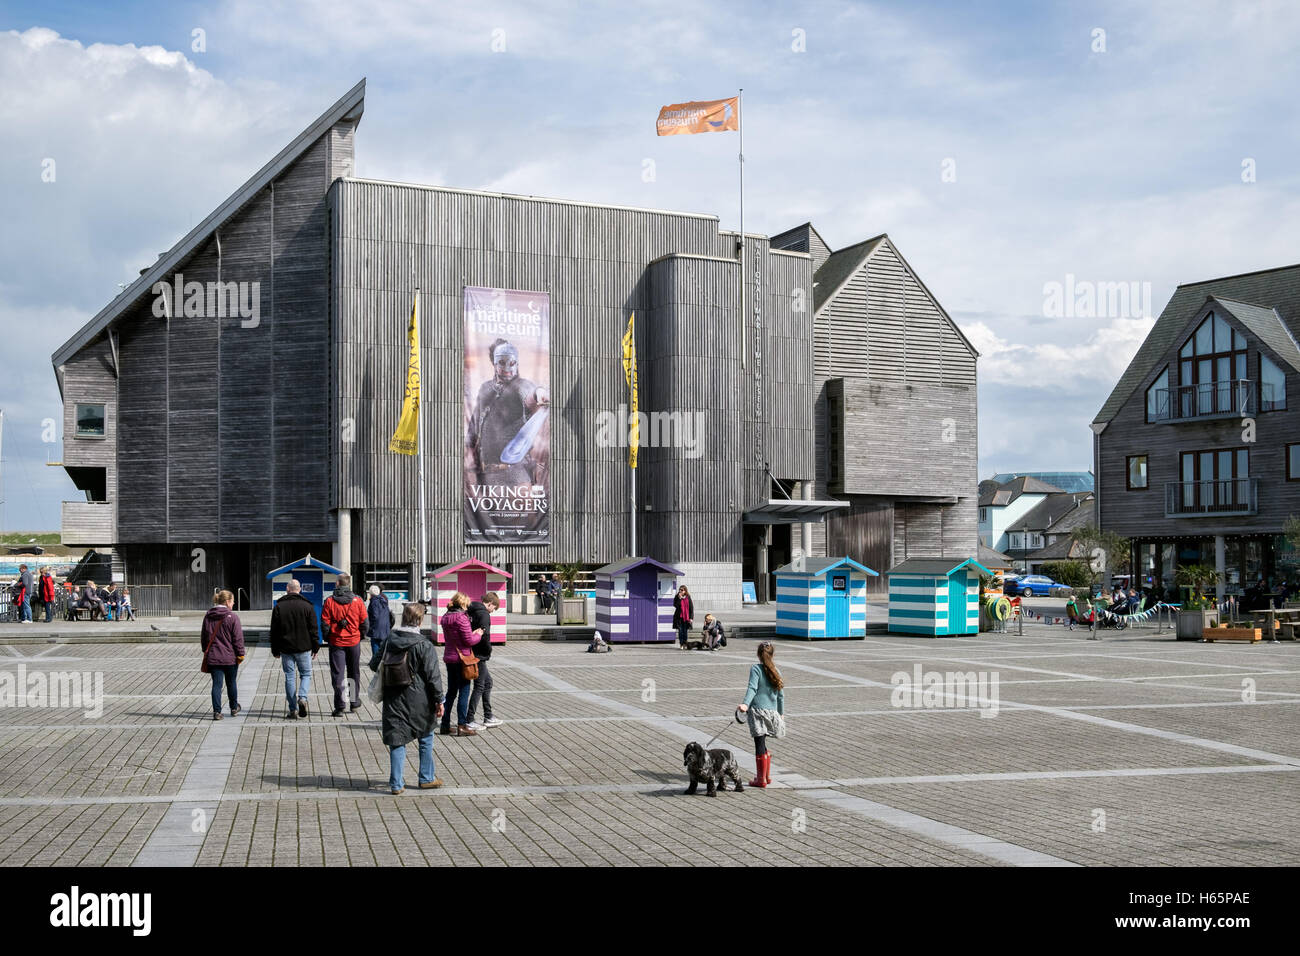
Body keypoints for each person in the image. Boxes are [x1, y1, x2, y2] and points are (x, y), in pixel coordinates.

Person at [371, 603, 446, 794]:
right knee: (426, 735)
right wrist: (440, 700)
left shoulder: (390, 639)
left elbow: (373, 664)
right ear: (420, 620)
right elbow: (433, 676)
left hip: (393, 697)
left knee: (397, 739)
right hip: (420, 699)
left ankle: (396, 784)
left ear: (403, 617)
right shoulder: (423, 644)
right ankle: (426, 778)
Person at [737, 642, 786, 789]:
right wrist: (781, 713)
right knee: (763, 744)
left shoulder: (756, 669)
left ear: (758, 654)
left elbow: (752, 688)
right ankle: (766, 776)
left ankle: (761, 779)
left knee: (759, 744)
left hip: (758, 711)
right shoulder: (776, 670)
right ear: (772, 655)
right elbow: (780, 696)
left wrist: (745, 704)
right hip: (772, 712)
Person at [321, 572, 369, 717]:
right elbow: (365, 623)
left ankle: (340, 706)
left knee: (338, 674)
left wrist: (328, 638)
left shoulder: (329, 601)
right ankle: (354, 702)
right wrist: (360, 636)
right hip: (354, 641)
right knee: (354, 672)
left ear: (337, 584)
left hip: (337, 642)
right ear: (348, 584)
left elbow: (324, 623)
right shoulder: (358, 600)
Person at [270, 579, 319, 719]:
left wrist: (275, 649)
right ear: (299, 589)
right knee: (306, 674)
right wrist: (316, 647)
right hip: (304, 647)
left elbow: (274, 630)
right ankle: (302, 698)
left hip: (286, 648)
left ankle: (293, 709)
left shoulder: (279, 606)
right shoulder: (308, 606)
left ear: (287, 589)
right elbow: (314, 629)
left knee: (289, 677)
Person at [439, 592, 482, 736]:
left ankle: (444, 725)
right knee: (464, 691)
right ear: (462, 604)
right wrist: (478, 635)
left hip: (449, 658)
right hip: (462, 659)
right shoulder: (462, 618)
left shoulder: (445, 617)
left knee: (451, 692)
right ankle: (462, 725)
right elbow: (469, 641)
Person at [202, 589, 246, 720]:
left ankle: (217, 711)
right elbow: (238, 638)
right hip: (230, 658)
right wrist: (240, 654)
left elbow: (204, 637)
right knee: (231, 683)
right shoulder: (232, 617)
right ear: (227, 602)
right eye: (232, 601)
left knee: (217, 685)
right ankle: (233, 708)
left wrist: (206, 651)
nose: (233, 604)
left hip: (214, 657)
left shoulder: (208, 616)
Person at [465, 591, 503, 730]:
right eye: (494, 608)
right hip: (479, 654)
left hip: (473, 651)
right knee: (480, 686)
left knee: (487, 682)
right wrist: (488, 650)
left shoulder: (472, 610)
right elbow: (485, 635)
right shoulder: (484, 614)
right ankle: (470, 718)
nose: (493, 612)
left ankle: (488, 715)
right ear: (490, 604)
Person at [366, 585, 393, 663]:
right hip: (385, 626)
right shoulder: (383, 599)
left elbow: (375, 615)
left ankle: (376, 661)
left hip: (376, 627)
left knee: (374, 643)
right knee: (382, 644)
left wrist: (370, 625)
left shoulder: (374, 601)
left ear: (371, 593)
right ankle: (383, 660)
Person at [672, 585, 694, 649]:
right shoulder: (677, 597)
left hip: (686, 617)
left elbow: (691, 608)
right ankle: (681, 644)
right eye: (680, 590)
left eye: (682, 590)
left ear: (685, 591)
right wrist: (679, 598)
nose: (680, 591)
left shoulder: (688, 597)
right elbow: (676, 605)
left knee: (685, 631)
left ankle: (685, 644)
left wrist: (691, 618)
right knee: (680, 631)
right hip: (679, 617)